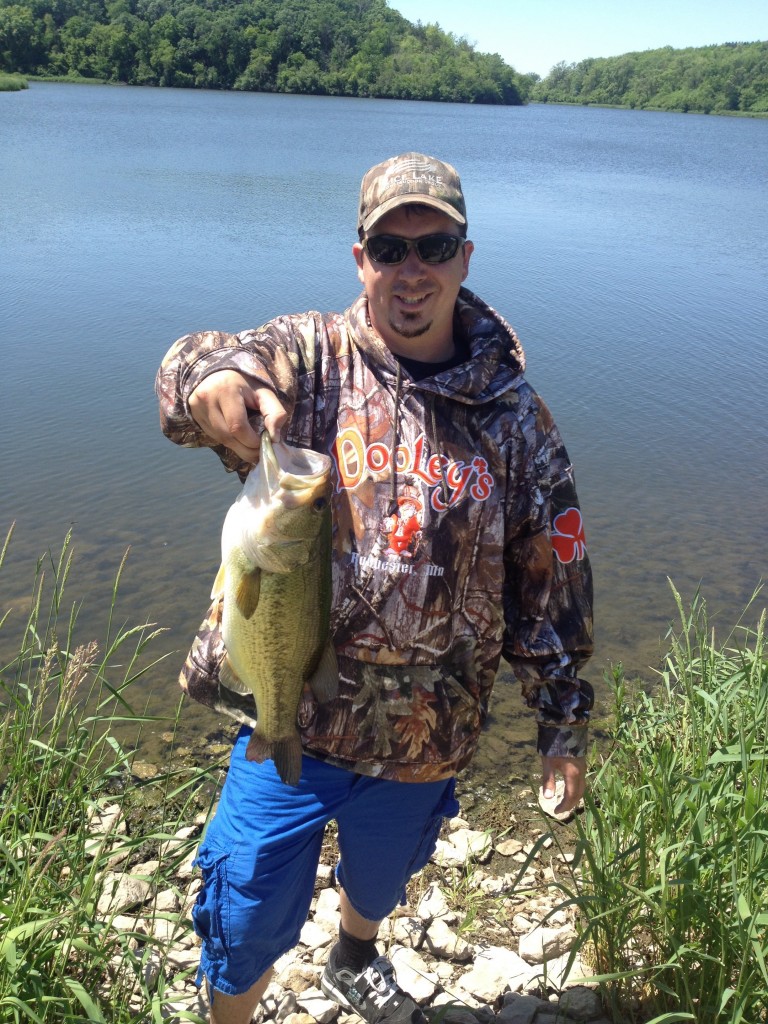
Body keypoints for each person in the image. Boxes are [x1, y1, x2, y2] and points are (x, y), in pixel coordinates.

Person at [156, 152, 594, 1024]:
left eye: (433, 245)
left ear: (467, 256)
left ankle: (353, 953)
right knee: (242, 910)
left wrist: (562, 721)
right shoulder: (312, 360)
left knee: (384, 876)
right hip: (294, 721)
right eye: (389, 248)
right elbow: (193, 372)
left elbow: (551, 582)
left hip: (428, 735)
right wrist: (212, 381)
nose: (411, 270)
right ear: (360, 258)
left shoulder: (516, 419)